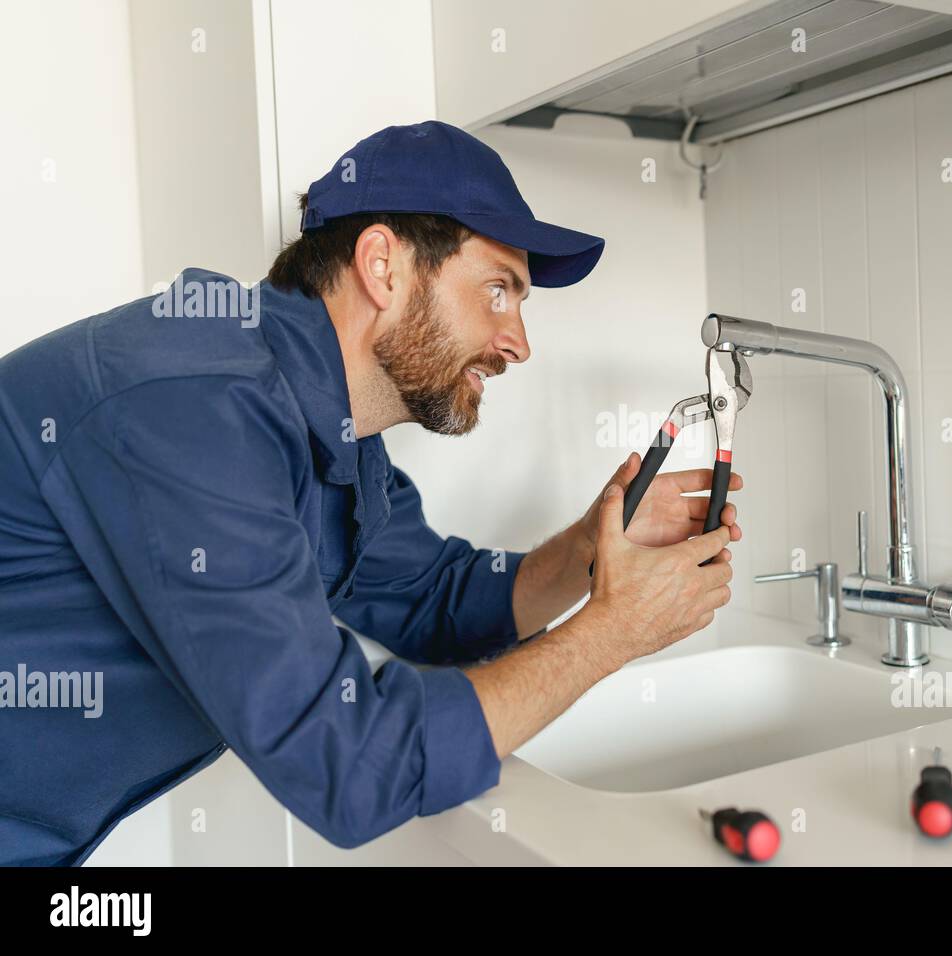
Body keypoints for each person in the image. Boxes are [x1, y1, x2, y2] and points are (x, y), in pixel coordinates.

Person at [0, 121, 740, 865]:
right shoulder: (198, 405)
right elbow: (345, 765)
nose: (520, 341)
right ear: (382, 265)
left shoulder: (327, 432)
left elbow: (436, 599)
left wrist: (592, 546)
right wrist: (614, 631)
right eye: (498, 289)